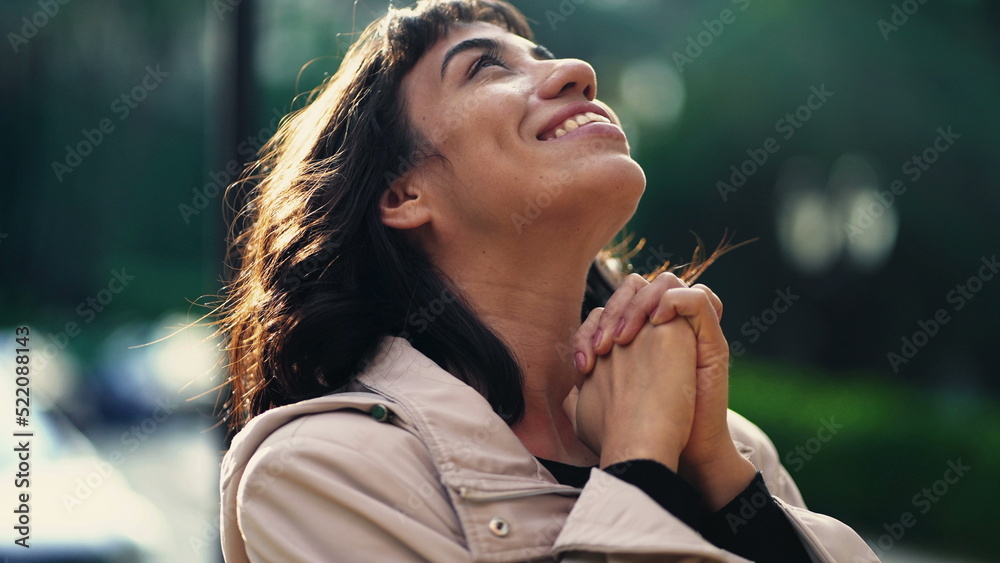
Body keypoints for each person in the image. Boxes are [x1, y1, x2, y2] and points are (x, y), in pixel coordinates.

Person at [217, 1, 878, 561]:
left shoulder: (735, 444)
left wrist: (724, 479)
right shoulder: (323, 472)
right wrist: (640, 457)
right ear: (402, 191)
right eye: (487, 67)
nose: (579, 73)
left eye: (541, 53)